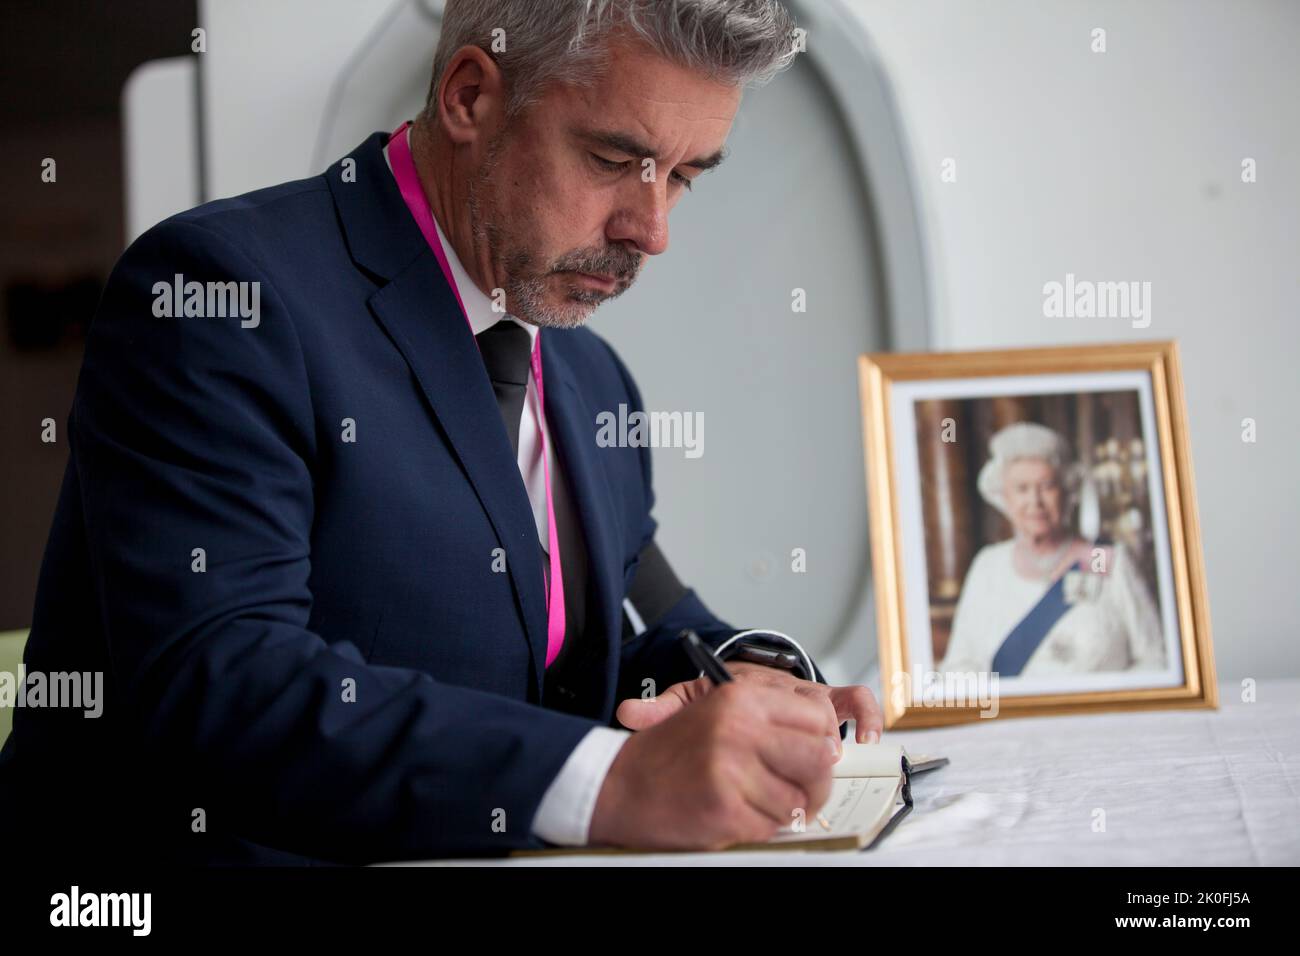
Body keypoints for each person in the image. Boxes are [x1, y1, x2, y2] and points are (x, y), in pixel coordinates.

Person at [0, 0, 883, 864]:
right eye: (617, 159)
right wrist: (613, 781)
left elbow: (630, 637)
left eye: (685, 178)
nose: (651, 231)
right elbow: (225, 684)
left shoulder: (590, 375)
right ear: (469, 96)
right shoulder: (218, 294)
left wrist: (755, 681)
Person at [938, 422, 1166, 677]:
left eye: (1047, 486)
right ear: (1005, 498)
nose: (1035, 501)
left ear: (1067, 492)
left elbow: (1154, 660)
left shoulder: (1105, 559)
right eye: (1022, 489)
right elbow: (958, 666)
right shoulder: (988, 566)